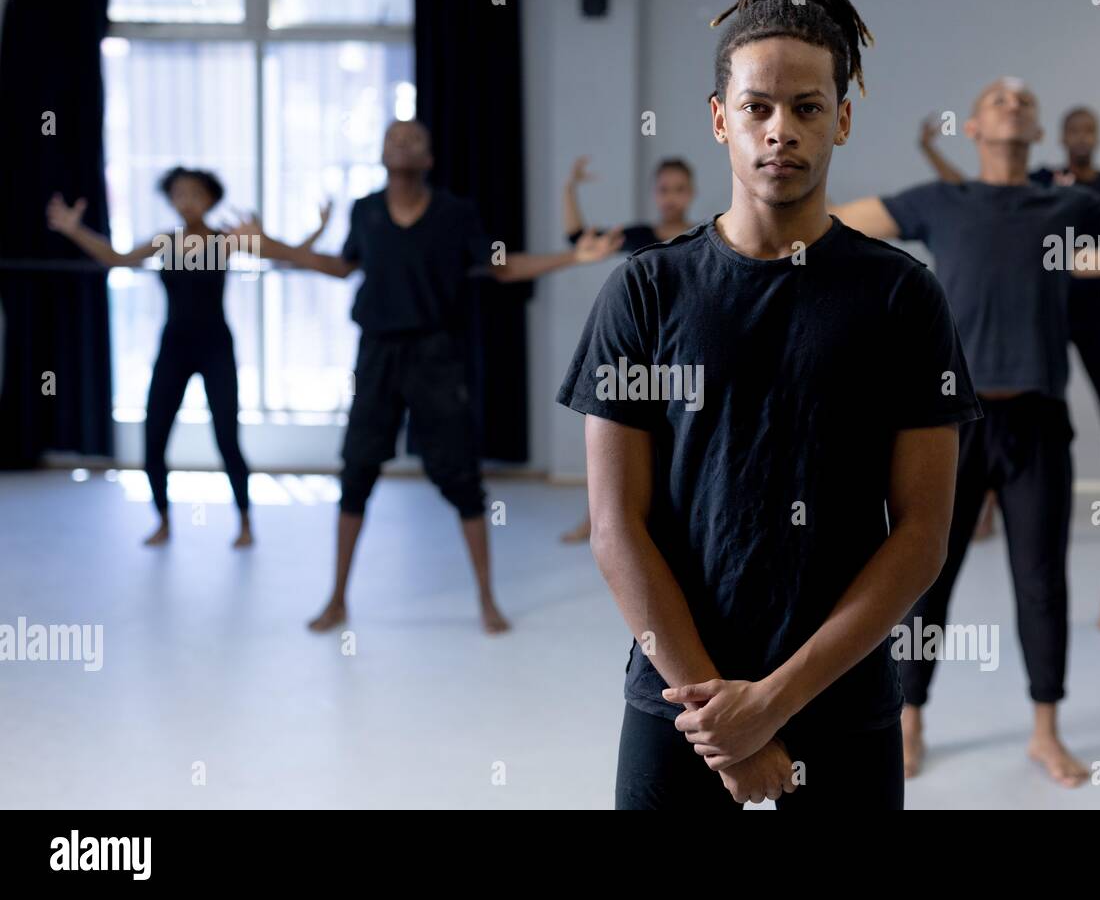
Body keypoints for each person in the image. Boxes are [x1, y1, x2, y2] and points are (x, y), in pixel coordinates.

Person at [559, 0, 981, 809]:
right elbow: (617, 528)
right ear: (721, 118)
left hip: (842, 698)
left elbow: (923, 534)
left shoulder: (901, 298)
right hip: (683, 704)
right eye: (757, 107)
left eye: (808, 107)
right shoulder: (647, 292)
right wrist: (725, 721)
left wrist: (774, 702)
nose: (780, 131)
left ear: (842, 121)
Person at [833, 77, 1100, 785]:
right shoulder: (939, 201)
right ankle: (908, 721)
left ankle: (1045, 730)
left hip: (1038, 421)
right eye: (998, 98)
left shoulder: (1068, 204)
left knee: (1041, 583)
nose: (1014, 101)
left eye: (1025, 101)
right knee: (924, 582)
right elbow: (833, 220)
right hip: (949, 424)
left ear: (1037, 133)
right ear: (971, 128)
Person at [231, 119, 622, 634]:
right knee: (356, 474)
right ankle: (337, 599)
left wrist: (573, 255)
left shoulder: (455, 215)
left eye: (415, 138)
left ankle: (486, 598)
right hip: (377, 356)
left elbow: (501, 265)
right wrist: (275, 247)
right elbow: (342, 265)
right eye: (394, 137)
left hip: (438, 356)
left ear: (430, 159)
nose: (404, 143)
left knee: (462, 478)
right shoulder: (366, 211)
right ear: (382, 153)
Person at [920, 107, 1100, 545]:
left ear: (1097, 136)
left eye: (1089, 129)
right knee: (1003, 405)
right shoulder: (1039, 181)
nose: (1082, 136)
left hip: (1091, 310)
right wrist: (930, 150)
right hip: (1042, 312)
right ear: (1060, 136)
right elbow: (968, 191)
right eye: (1074, 129)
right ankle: (986, 511)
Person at [46, 170, 329, 548]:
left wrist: (314, 232)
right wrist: (73, 229)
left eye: (195, 194)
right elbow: (116, 258)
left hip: (216, 348)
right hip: (174, 348)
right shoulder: (166, 242)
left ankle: (245, 522)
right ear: (171, 199)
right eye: (179, 194)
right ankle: (163, 521)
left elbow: (288, 257)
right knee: (154, 441)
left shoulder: (225, 241)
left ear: (211, 199)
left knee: (227, 439)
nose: (187, 201)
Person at [558, 156, 697, 543]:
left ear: (691, 193)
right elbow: (577, 238)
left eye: (679, 189)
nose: (671, 198)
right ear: (655, 194)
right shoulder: (639, 234)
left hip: (685, 350)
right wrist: (570, 188)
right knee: (619, 431)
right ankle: (596, 518)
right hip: (642, 348)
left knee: (678, 437)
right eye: (664, 189)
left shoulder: (705, 235)